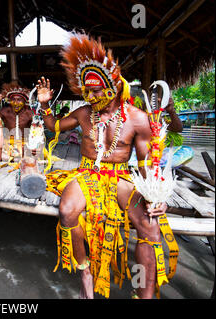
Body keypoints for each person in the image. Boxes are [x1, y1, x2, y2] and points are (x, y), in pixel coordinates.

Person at [38, 33, 178, 299]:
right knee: (67, 211)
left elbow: (147, 161)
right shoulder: (83, 113)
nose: (90, 97)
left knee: (149, 226)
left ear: (114, 87)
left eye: (96, 91)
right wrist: (45, 106)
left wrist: (155, 195)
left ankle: (144, 294)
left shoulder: (138, 119)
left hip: (122, 177)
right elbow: (53, 126)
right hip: (87, 173)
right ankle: (86, 273)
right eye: (86, 91)